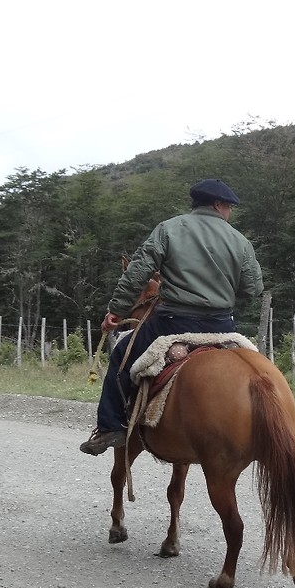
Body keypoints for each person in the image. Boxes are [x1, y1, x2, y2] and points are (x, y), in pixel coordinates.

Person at [79, 179, 264, 455]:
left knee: (120, 359)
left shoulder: (168, 229)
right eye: (229, 206)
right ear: (217, 205)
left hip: (173, 323)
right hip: (223, 326)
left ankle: (111, 428)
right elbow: (254, 289)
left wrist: (116, 311)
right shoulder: (239, 240)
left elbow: (137, 274)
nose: (230, 213)